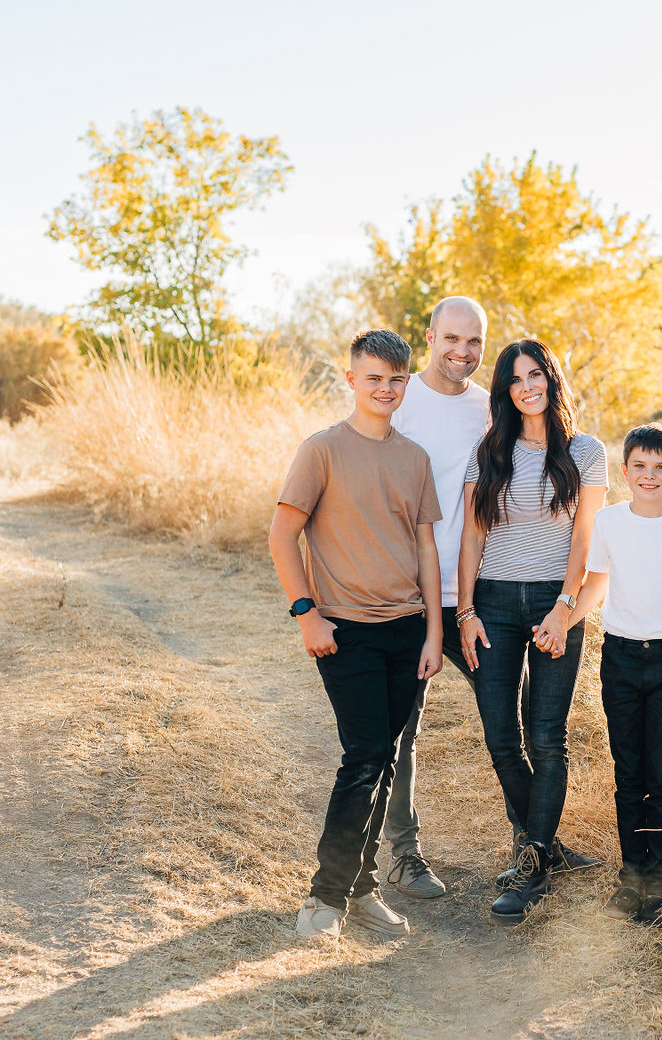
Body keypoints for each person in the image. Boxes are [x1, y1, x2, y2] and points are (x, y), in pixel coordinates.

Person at [269, 328, 444, 940]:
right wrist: (306, 613)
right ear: (351, 380)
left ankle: (362, 889)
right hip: (345, 630)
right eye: (374, 378)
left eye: (396, 379)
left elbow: (426, 548)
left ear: (406, 383)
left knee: (386, 760)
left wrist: (434, 632)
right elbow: (281, 535)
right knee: (364, 755)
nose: (385, 389)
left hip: (408, 630)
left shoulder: (414, 458)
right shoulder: (321, 451)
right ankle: (324, 898)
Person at [457, 338, 607, 924]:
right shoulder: (489, 451)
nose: (527, 386)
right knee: (500, 736)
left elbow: (585, 536)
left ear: (552, 379)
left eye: (536, 374)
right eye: (516, 379)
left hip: (553, 600)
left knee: (546, 737)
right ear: (505, 390)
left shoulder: (585, 452)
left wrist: (564, 609)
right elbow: (473, 536)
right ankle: (543, 847)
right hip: (493, 601)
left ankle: (532, 865)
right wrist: (466, 611)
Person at [567, 422, 662, 923]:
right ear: (625, 470)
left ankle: (660, 881)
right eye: (639, 466)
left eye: (660, 467)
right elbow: (595, 585)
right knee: (629, 773)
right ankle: (631, 878)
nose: (649, 475)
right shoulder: (609, 523)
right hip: (622, 660)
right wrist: (562, 620)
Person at [380, 295, 491, 901]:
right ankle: (403, 855)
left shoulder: (490, 409)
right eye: (451, 338)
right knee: (401, 730)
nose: (462, 352)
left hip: (474, 595)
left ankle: (535, 844)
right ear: (429, 338)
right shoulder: (399, 400)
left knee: (514, 716)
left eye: (474, 341)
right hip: (407, 593)